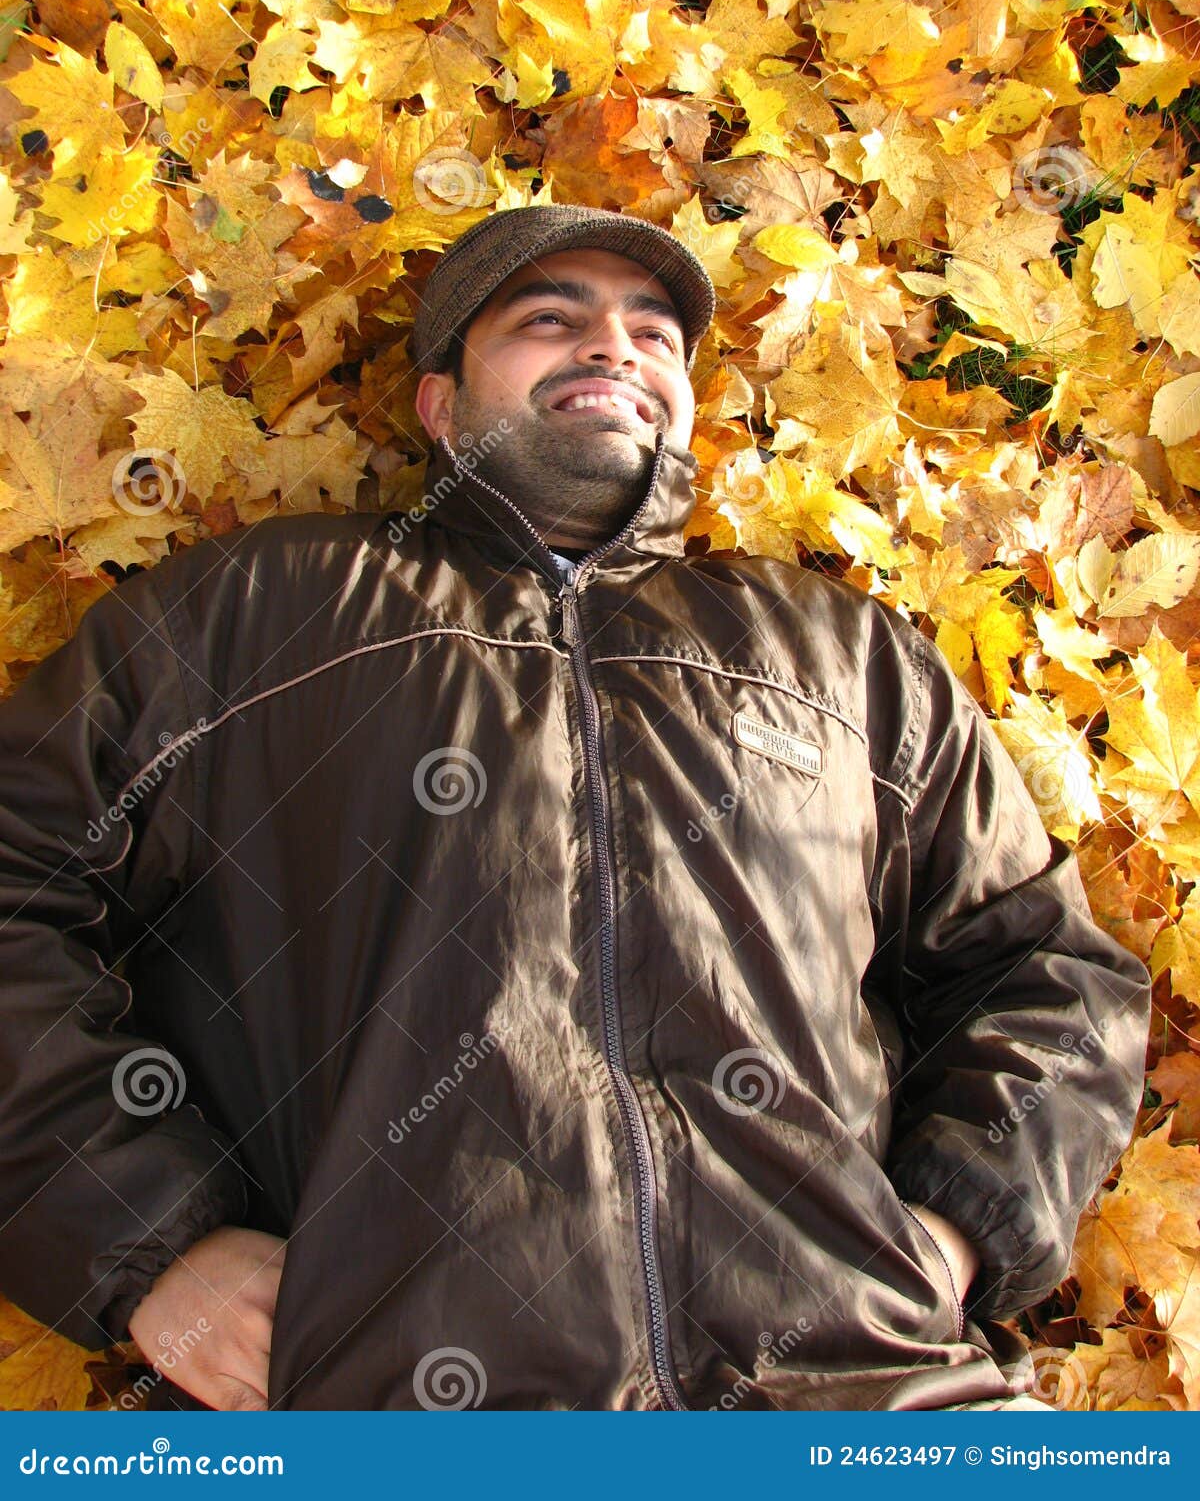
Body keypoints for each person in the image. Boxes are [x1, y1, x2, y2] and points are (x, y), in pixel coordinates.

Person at [0, 205, 1150, 1412]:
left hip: (874, 1400)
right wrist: (147, 1241)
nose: (615, 348)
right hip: (381, 1410)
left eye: (655, 336)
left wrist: (958, 1231)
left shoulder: (840, 656)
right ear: (440, 404)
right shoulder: (262, 613)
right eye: (551, 320)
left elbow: (1047, 969)